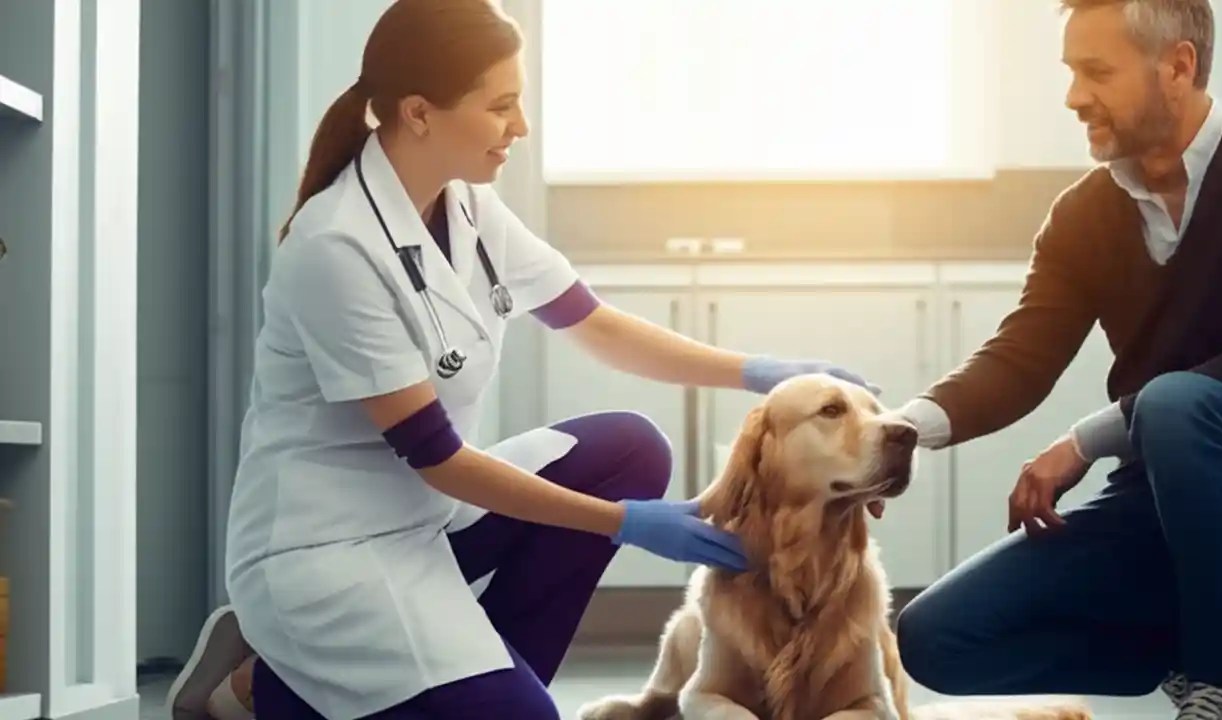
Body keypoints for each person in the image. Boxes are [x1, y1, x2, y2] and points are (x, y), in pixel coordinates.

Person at [163, 1, 877, 718]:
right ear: (419, 112)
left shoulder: (466, 205)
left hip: (428, 521)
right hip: (328, 554)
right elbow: (437, 455)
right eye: (501, 105)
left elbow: (594, 324)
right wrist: (624, 523)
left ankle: (467, 684)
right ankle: (262, 691)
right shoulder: (334, 247)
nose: (521, 127)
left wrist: (760, 371)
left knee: (629, 449)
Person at [886, 1, 1222, 719]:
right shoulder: (1084, 215)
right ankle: (1197, 649)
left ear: (1178, 67)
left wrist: (1084, 440)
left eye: (1096, 72)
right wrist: (894, 434)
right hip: (1158, 496)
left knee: (1173, 402)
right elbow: (1020, 358)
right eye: (1070, 73)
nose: (1073, 97)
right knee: (935, 638)